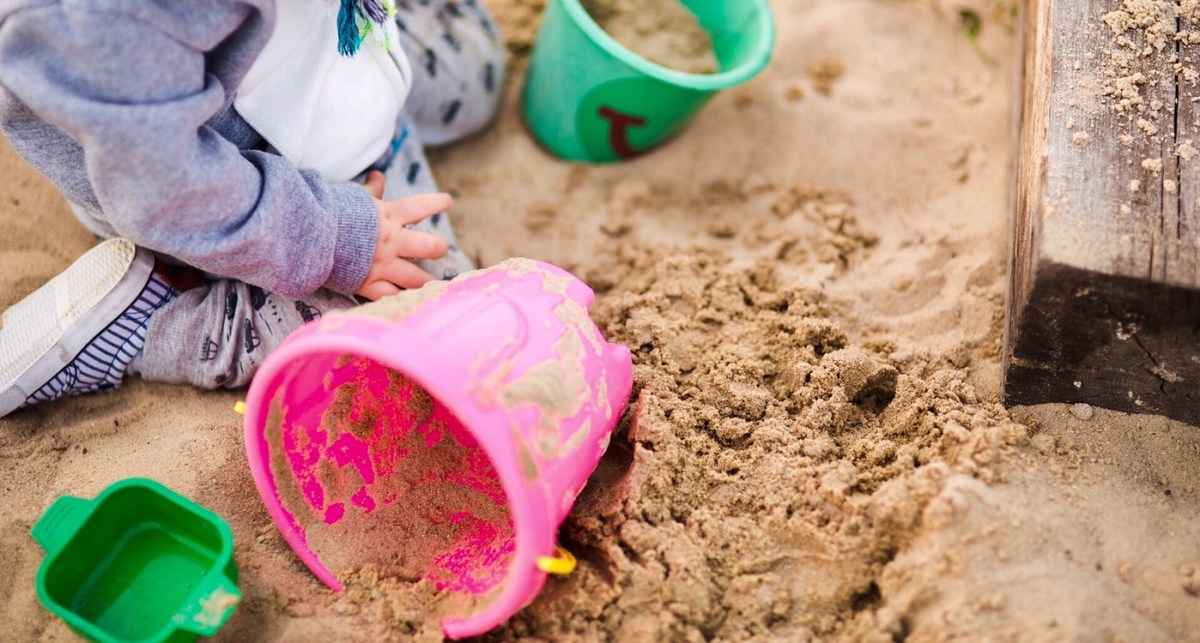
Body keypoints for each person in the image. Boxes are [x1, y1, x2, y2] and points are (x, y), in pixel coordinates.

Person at [0, 0, 506, 417]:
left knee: (477, 72)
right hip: (248, 201)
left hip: (338, 61)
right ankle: (159, 322)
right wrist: (338, 239)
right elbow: (169, 191)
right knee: (435, 320)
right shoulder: (104, 20)